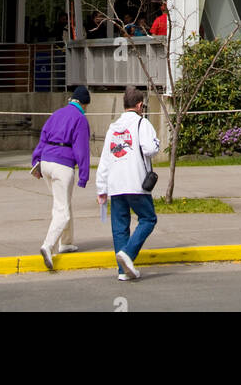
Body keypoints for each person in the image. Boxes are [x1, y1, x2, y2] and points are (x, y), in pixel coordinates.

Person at [96, 86, 160, 281]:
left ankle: (123, 271)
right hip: (136, 182)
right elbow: (150, 149)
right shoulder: (142, 124)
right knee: (148, 219)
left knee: (120, 226)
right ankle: (129, 253)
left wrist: (101, 188)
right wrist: (156, 143)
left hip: (115, 184)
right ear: (140, 105)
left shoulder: (113, 128)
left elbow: (105, 159)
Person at [32, 84, 91, 270]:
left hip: (46, 161)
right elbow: (82, 149)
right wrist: (84, 175)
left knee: (62, 202)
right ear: (84, 103)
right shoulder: (80, 119)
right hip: (63, 165)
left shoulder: (56, 114)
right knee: (62, 211)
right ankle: (48, 246)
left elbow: (43, 137)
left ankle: (66, 243)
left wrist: (36, 161)